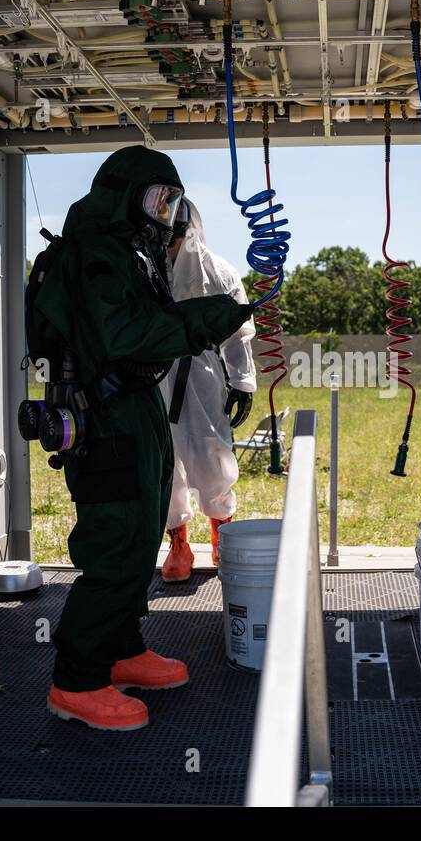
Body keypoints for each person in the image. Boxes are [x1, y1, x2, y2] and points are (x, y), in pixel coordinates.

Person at [32, 146, 254, 731]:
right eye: (157, 199)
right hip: (103, 414)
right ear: (124, 196)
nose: (166, 213)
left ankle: (122, 649)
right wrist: (207, 318)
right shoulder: (96, 254)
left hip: (134, 407)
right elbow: (126, 334)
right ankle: (77, 680)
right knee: (116, 542)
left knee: (143, 533)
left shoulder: (133, 253)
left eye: (172, 201)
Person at [157, 198, 257, 581]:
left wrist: (242, 382)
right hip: (156, 372)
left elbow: (238, 332)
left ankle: (222, 536)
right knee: (166, 464)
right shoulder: (147, 270)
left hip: (203, 374)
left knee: (213, 457)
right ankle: (178, 543)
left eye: (177, 232)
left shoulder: (219, 272)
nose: (172, 243)